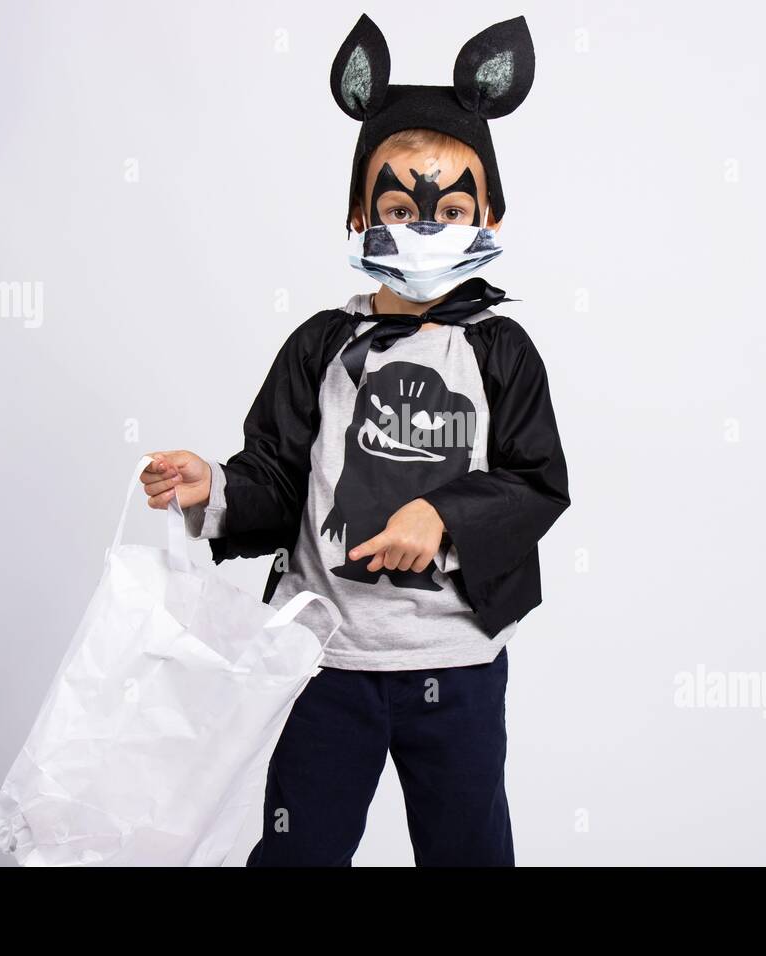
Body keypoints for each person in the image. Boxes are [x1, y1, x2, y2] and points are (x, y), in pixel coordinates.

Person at [139, 13, 568, 866]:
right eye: (402, 207)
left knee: (469, 848)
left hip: (460, 662)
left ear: (490, 211)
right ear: (357, 211)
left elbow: (538, 482)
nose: (425, 225)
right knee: (301, 848)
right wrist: (213, 489)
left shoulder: (501, 351)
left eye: (451, 208)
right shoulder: (320, 345)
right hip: (324, 658)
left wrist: (443, 518)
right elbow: (276, 470)